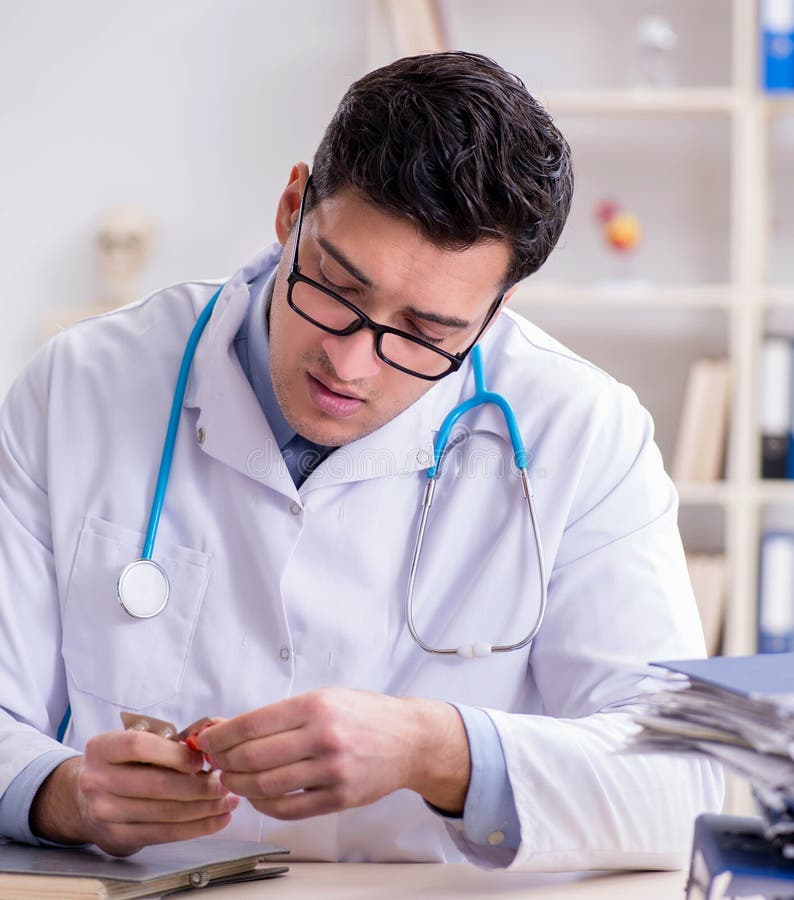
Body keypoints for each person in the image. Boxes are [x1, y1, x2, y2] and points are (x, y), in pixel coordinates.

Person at [0, 51, 721, 871]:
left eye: (425, 332)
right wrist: (61, 795)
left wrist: (439, 750)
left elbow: (683, 784)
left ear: (494, 310)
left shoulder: (584, 432)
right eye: (337, 289)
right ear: (289, 210)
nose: (350, 364)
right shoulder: (81, 384)